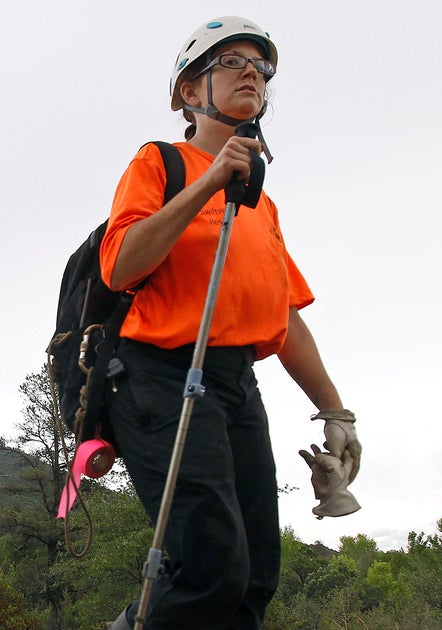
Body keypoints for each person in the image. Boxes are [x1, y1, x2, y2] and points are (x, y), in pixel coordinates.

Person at [100, 17, 361, 630]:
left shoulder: (261, 201)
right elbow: (120, 265)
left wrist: (336, 411)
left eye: (261, 67)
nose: (253, 73)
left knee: (254, 576)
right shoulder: (160, 162)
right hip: (160, 372)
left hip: (236, 381)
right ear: (190, 92)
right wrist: (210, 181)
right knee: (209, 567)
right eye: (232, 62)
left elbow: (283, 313)